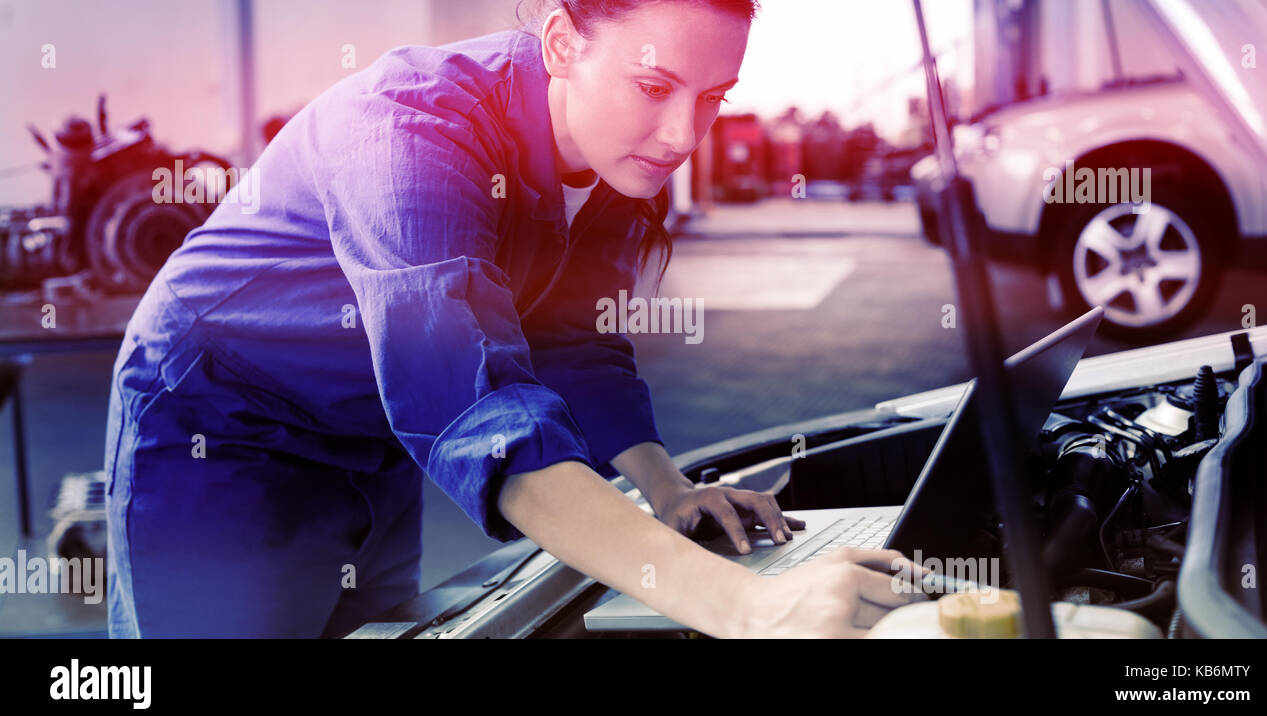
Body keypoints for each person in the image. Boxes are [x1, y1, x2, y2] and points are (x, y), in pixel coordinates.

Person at [104, 0, 926, 639]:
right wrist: (750, 607)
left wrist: (667, 489)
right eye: (653, 87)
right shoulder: (410, 129)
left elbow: (575, 339)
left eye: (712, 97)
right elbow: (471, 409)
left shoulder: (615, 156)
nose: (683, 134)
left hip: (373, 436)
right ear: (564, 42)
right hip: (221, 428)